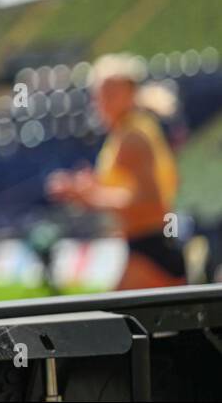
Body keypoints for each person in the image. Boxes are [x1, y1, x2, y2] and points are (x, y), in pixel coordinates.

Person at [47, 53, 186, 289]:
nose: (103, 101)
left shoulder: (133, 136)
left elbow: (149, 198)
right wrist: (89, 188)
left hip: (151, 246)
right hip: (145, 244)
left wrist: (90, 196)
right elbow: (127, 188)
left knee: (113, 311)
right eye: (100, 94)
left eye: (111, 93)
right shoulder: (125, 131)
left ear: (130, 93)